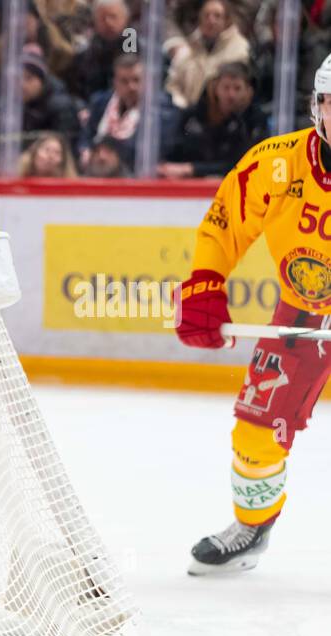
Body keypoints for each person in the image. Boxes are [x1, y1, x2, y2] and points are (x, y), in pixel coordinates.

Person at [174, 53, 331, 575]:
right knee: (255, 432)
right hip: (304, 315)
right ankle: (253, 526)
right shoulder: (278, 164)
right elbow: (225, 224)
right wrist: (205, 284)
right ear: (317, 107)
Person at [160, 61, 266, 179]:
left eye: (237, 88)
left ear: (248, 91)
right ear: (215, 88)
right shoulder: (194, 115)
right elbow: (175, 150)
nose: (231, 95)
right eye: (226, 87)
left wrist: (192, 169)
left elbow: (243, 164)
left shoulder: (255, 121)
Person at [164, 0, 252, 111]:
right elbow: (173, 85)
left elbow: (232, 88)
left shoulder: (239, 49)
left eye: (217, 16)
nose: (211, 20)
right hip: (185, 112)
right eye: (206, 16)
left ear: (226, 20)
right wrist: (180, 104)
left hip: (220, 113)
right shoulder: (189, 47)